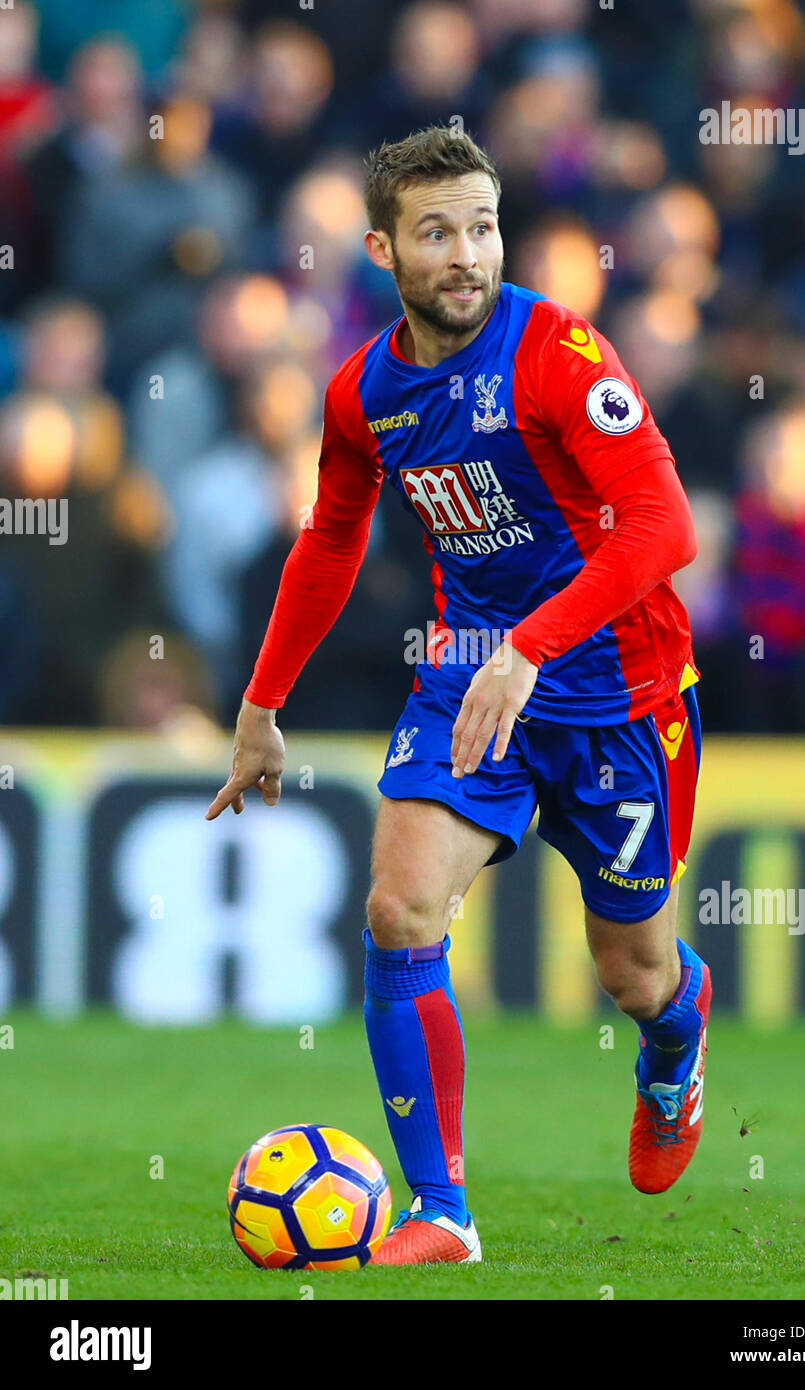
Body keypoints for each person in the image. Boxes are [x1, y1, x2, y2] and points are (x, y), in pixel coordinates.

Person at [207, 125, 711, 1266]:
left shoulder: (560, 353)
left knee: (635, 973)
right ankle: (442, 1210)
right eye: (437, 234)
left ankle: (674, 1050)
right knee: (398, 913)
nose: (469, 254)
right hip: (468, 674)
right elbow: (332, 534)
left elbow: (664, 527)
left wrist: (531, 644)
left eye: (482, 227)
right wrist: (260, 703)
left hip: (619, 690)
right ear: (384, 249)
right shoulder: (363, 391)